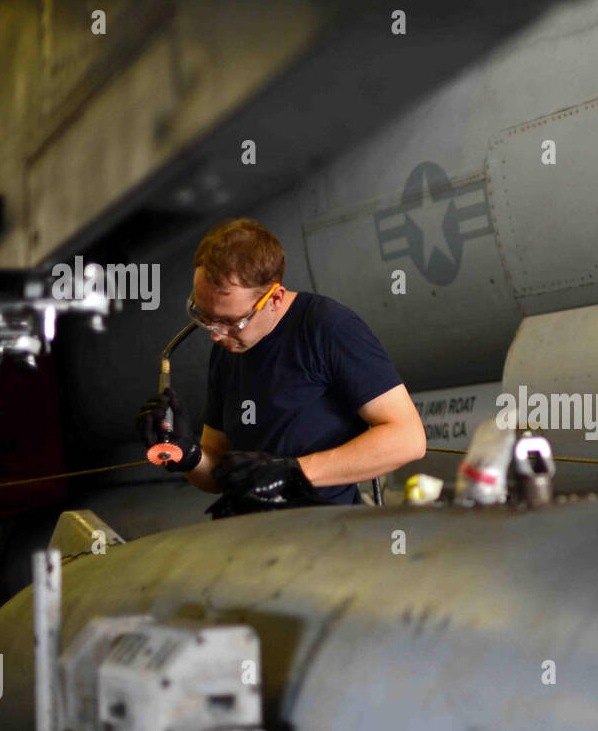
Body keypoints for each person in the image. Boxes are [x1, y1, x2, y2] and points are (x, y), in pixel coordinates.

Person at [138, 218, 425, 517]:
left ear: (273, 298)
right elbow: (217, 477)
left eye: (230, 321)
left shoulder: (327, 328)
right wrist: (188, 454)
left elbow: (408, 438)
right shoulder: (229, 348)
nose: (215, 334)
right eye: (205, 316)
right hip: (253, 538)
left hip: (327, 537)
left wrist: (294, 473)